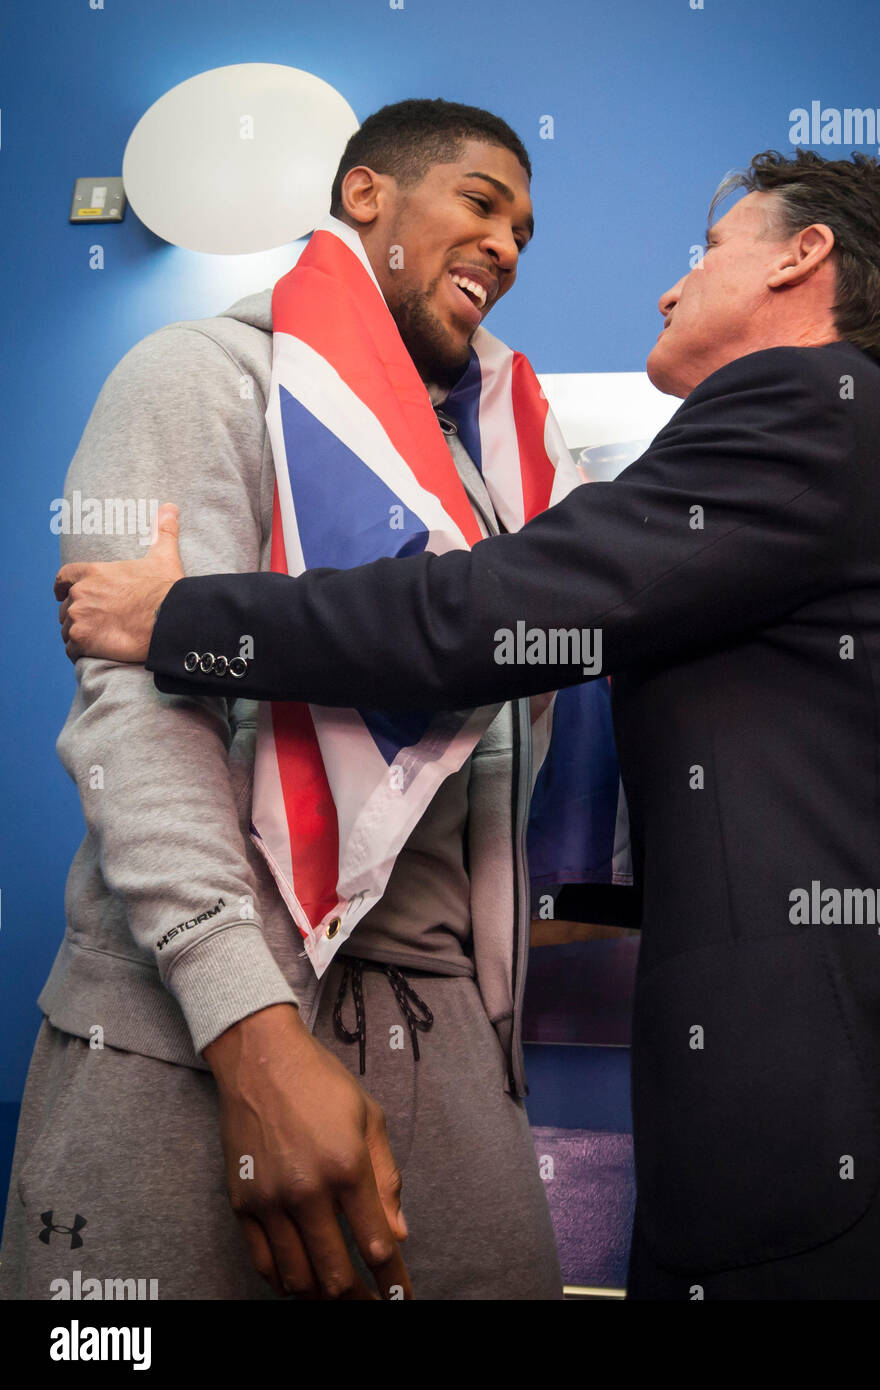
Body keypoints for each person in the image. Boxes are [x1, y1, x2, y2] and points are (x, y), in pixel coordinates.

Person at [56, 147, 880, 1301]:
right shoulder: (853, 450)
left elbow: (493, 612)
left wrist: (179, 613)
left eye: (705, 251)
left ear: (805, 257)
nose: (668, 288)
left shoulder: (808, 404)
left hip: (865, 1106)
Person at [4, 98, 574, 1302]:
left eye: (524, 229)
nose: (508, 246)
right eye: (481, 202)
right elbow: (135, 718)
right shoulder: (192, 374)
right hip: (189, 1024)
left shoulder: (513, 461)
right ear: (366, 195)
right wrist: (248, 1029)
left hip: (443, 1028)